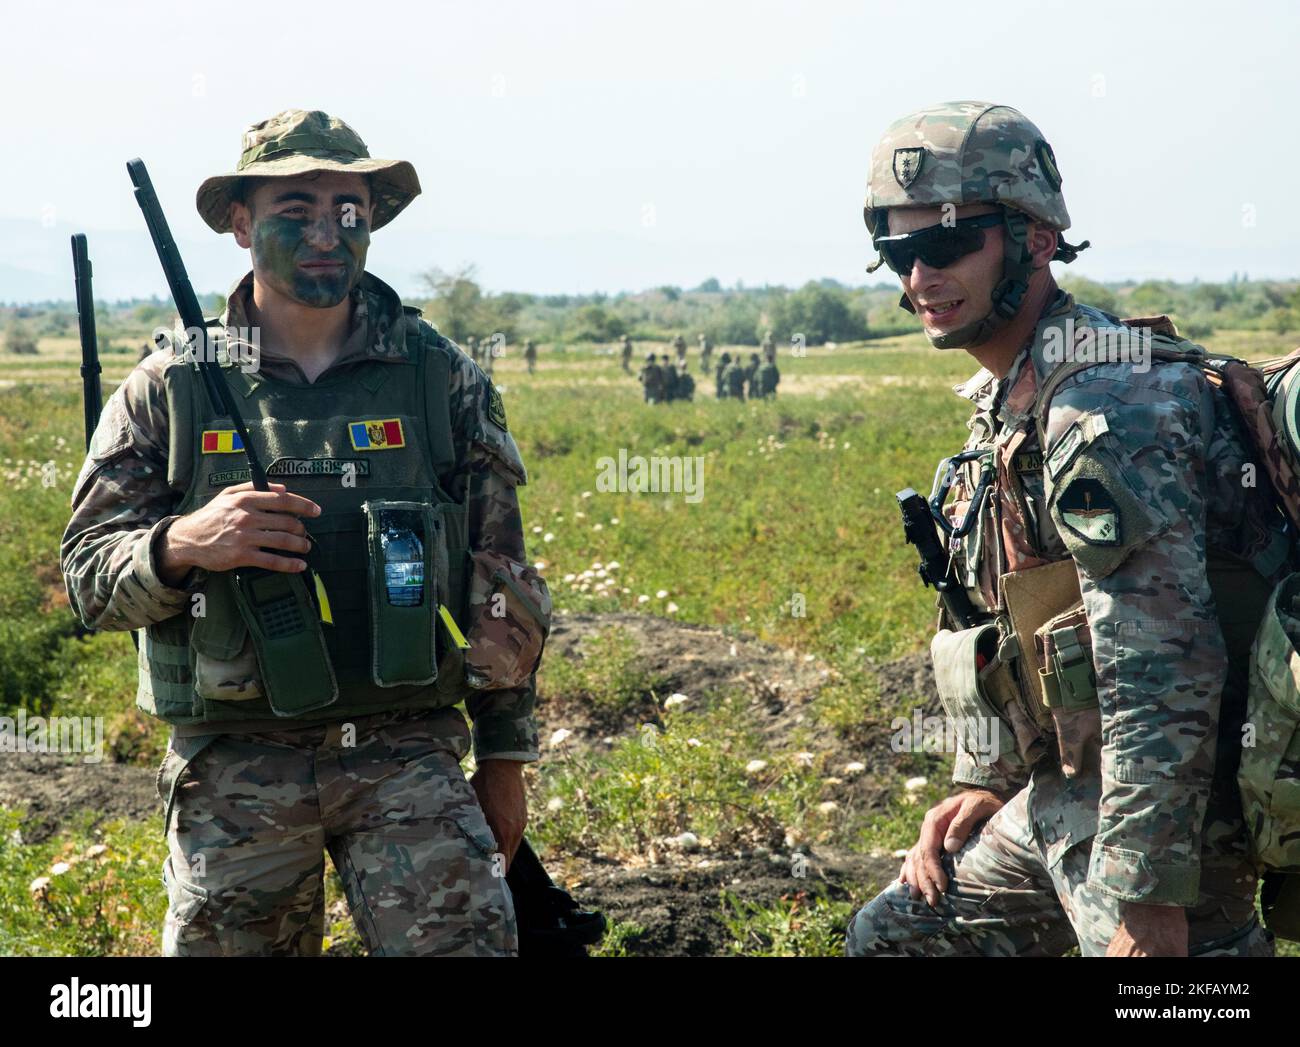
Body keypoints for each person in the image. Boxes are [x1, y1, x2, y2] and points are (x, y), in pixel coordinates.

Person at [61, 109, 551, 957]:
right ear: (242, 222)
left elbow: (500, 583)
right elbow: (86, 579)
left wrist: (503, 764)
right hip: (235, 771)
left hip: (408, 756)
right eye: (296, 207)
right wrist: (184, 543)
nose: (328, 231)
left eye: (348, 208)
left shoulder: (442, 379)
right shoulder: (171, 387)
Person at [844, 101, 1285, 958]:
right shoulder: (1015, 392)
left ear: (1036, 239)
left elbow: (1162, 662)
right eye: (898, 253)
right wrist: (989, 777)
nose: (920, 277)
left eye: (946, 244)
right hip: (1069, 788)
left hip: (1186, 810)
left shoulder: (1106, 402)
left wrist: (1152, 901)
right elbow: (1026, 620)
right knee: (900, 934)